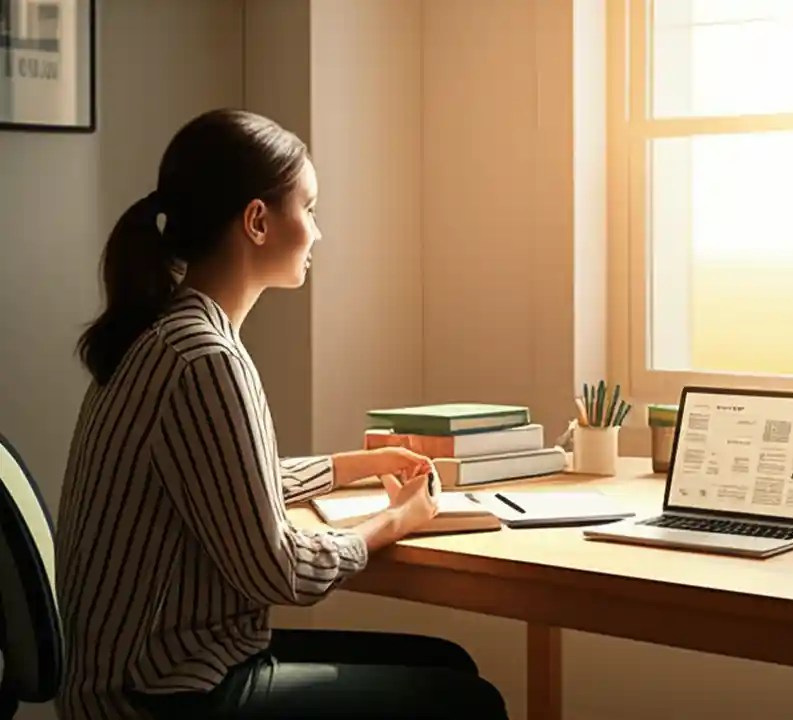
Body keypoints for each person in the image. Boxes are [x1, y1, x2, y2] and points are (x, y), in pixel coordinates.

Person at [56, 109, 508, 720]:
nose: (318, 233)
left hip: (142, 673)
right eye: (311, 209)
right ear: (258, 221)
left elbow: (226, 488)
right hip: (162, 696)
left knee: (449, 666)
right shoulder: (205, 361)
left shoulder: (166, 336)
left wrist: (352, 464)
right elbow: (280, 573)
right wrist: (395, 520)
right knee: (467, 702)